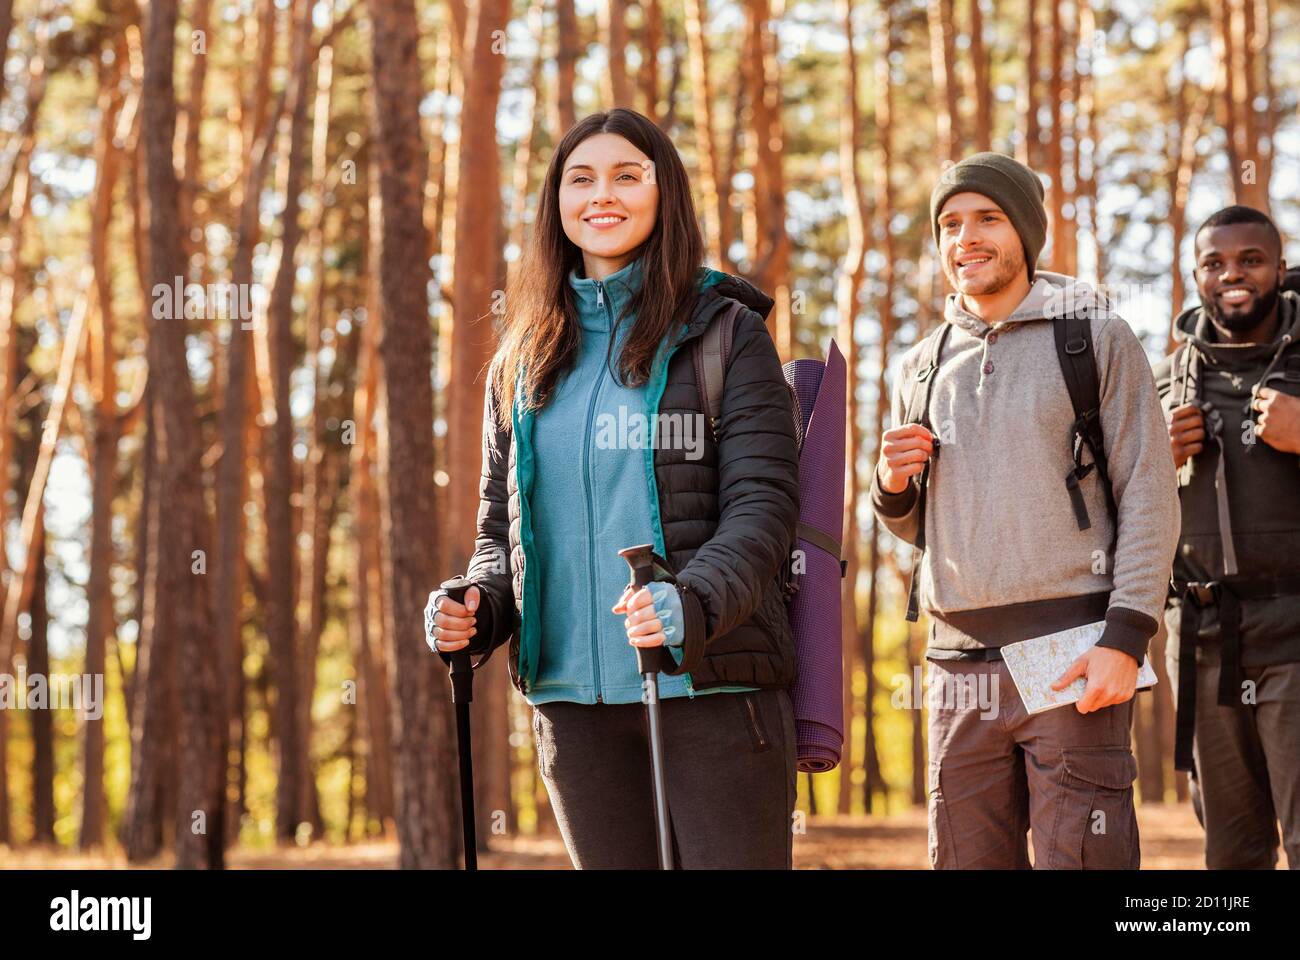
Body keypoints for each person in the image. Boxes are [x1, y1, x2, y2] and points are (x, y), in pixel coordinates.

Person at [424, 108, 800, 869]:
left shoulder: (725, 334)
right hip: (571, 708)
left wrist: (690, 602)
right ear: (556, 202)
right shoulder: (523, 362)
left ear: (666, 195)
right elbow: (501, 535)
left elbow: (763, 508)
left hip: (712, 695)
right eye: (581, 178)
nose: (604, 195)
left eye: (628, 175)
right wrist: (477, 604)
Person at [870, 152, 1180, 869]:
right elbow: (920, 526)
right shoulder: (918, 364)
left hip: (1074, 652)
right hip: (955, 668)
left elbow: (1149, 492)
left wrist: (1127, 636)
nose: (965, 238)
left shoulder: (1094, 336)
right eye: (950, 224)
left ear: (1027, 233)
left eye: (987, 219)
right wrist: (891, 485)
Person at [1156, 204, 1300, 869]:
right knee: (1232, 854)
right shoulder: (1163, 383)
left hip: (1297, 637)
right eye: (1214, 263)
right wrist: (1151, 456)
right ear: (1196, 274)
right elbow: (1106, 507)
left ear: (1278, 267)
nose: (1232, 275)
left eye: (1250, 259)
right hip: (1205, 643)